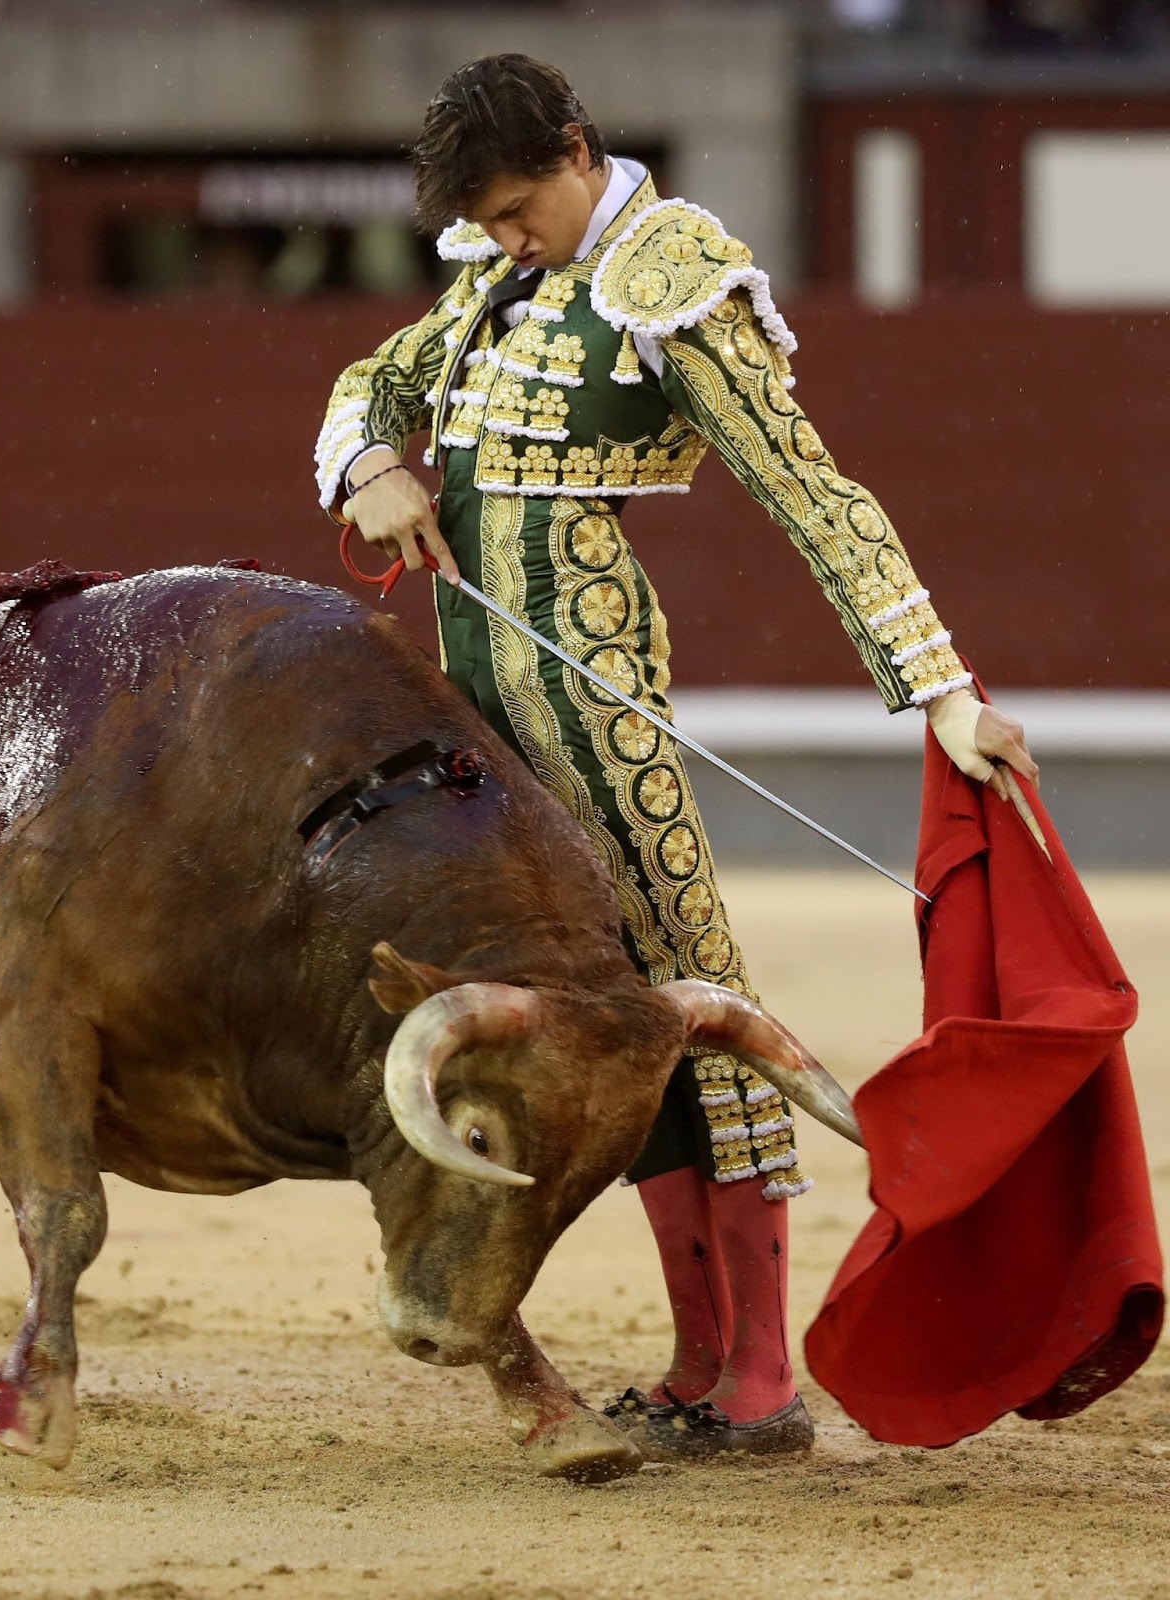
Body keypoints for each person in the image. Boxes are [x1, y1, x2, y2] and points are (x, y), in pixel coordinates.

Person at [313, 54, 1038, 1456]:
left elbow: (809, 488)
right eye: (494, 221)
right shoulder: (502, 277)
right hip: (478, 713)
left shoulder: (671, 271)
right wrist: (370, 465)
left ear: (580, 151)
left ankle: (759, 1378)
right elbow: (374, 376)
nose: (507, 236)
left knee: (687, 993)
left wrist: (940, 689)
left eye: (522, 206)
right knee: (600, 1015)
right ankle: (700, 1359)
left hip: (592, 702)